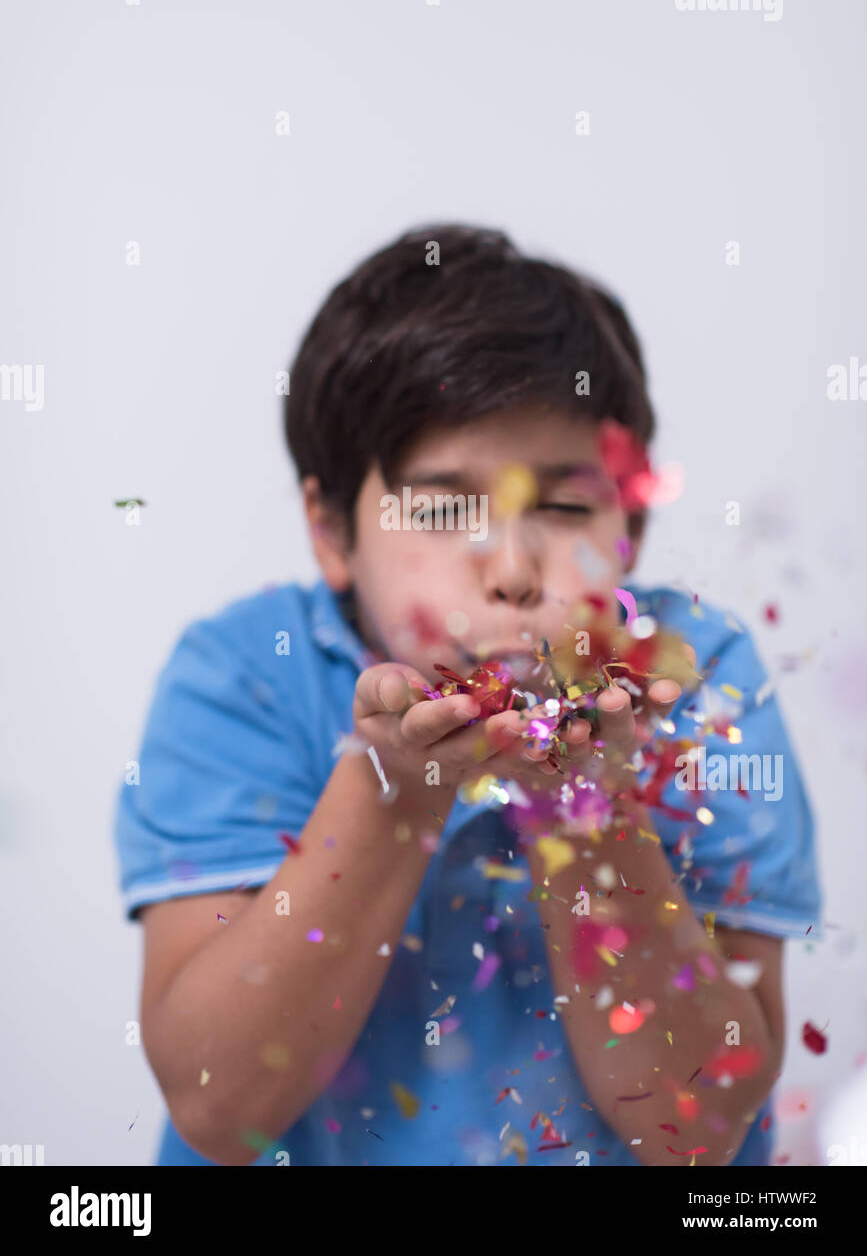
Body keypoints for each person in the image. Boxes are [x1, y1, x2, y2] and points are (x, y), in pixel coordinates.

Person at [114, 223, 823, 1166]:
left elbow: (691, 1130)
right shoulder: (243, 677)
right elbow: (219, 1106)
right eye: (445, 508)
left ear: (631, 524)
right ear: (330, 530)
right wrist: (390, 789)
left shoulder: (693, 679)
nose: (515, 570)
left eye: (566, 506)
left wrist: (590, 812)